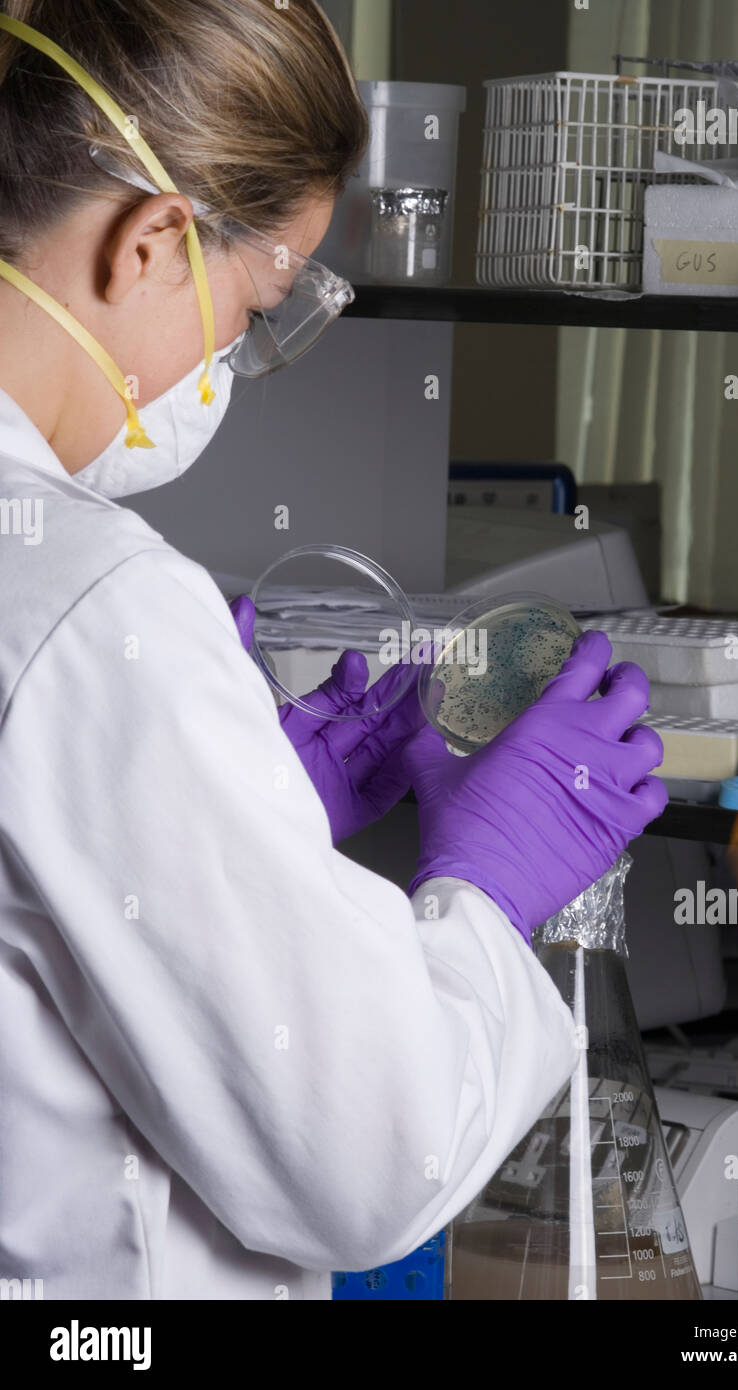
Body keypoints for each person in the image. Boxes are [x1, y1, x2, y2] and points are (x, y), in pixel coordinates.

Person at [0, 0, 666, 1301]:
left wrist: (242, 818)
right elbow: (367, 1155)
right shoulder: (95, 602)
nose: (229, 365)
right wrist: (487, 886)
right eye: (253, 309)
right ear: (149, 242)